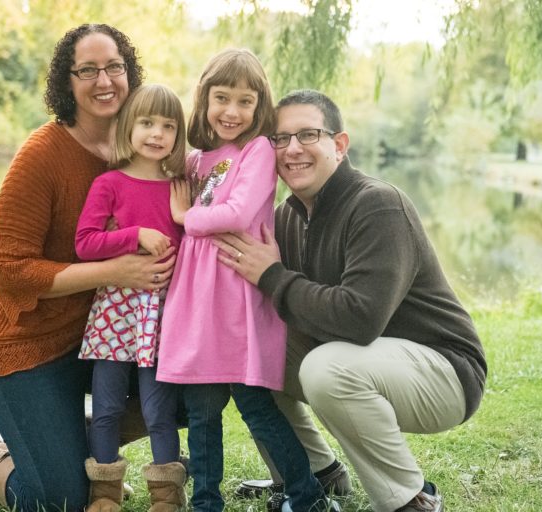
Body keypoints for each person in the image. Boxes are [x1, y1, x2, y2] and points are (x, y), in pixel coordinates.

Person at [0, 24, 176, 512]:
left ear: (130, 72)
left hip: (108, 342)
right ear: (66, 82)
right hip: (28, 347)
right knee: (57, 501)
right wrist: (115, 271)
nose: (104, 80)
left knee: (193, 390)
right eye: (87, 70)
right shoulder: (42, 155)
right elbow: (8, 270)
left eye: (114, 66)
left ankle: (76, 450)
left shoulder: (145, 147)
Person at [214, 89, 487, 512]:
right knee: (245, 343)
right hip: (360, 360)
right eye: (280, 139)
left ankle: (410, 499)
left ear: (339, 145)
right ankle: (313, 474)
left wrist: (272, 275)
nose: (292, 150)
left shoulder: (378, 205)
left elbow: (361, 319)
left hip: (443, 372)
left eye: (308, 135)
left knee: (327, 368)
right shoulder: (285, 217)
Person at [156, 49, 339, 512]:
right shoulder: (198, 159)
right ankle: (205, 503)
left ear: (260, 107)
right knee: (200, 412)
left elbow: (235, 214)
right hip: (196, 299)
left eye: (245, 101)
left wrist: (185, 216)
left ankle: (306, 495)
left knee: (256, 405)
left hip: (235, 294)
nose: (232, 112)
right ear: (205, 99)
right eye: (222, 98)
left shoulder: (258, 151)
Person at [74, 83, 187, 512]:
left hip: (162, 314)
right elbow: (85, 243)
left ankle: (166, 495)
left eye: (168, 125)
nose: (156, 133)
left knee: (158, 410)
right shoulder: (110, 184)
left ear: (178, 134)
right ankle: (104, 494)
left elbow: (193, 245)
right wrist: (135, 234)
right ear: (128, 127)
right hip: (115, 314)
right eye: (146, 123)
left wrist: (184, 219)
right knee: (105, 408)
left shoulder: (180, 186)